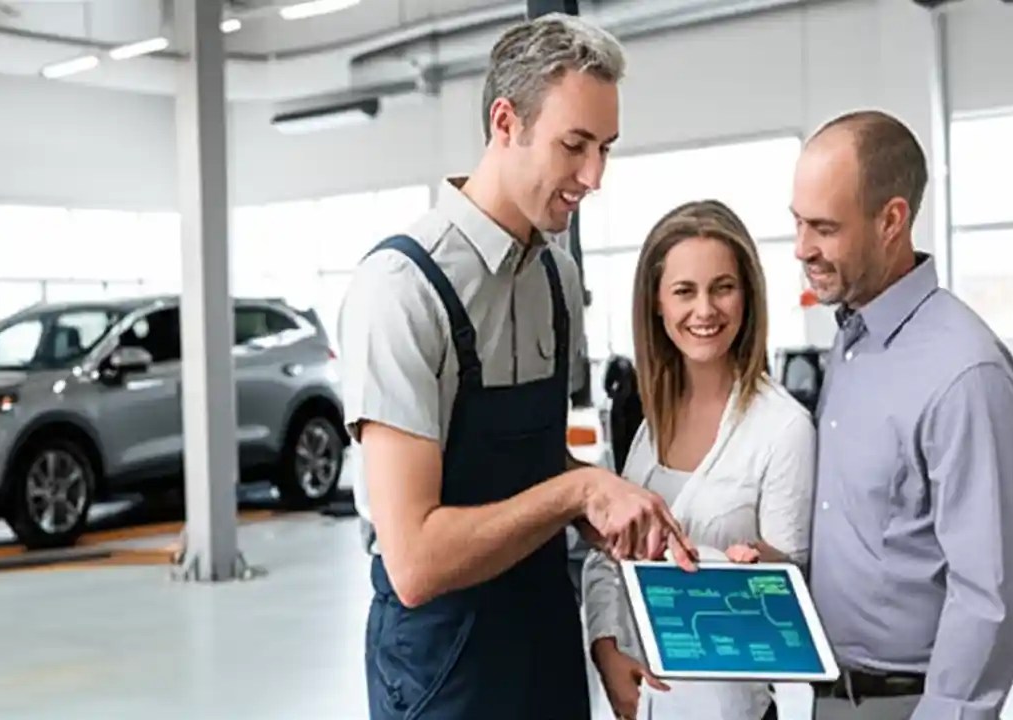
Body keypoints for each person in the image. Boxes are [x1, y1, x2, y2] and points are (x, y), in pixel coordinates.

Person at [337, 13, 697, 720]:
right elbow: (414, 563)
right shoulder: (402, 290)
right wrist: (579, 492)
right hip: (442, 662)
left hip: (543, 636)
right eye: (574, 146)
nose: (594, 176)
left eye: (605, 148)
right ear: (506, 123)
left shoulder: (557, 280)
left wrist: (607, 511)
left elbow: (530, 467)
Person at [791, 109, 1013, 719]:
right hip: (832, 696)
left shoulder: (965, 372)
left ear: (891, 220)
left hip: (907, 703)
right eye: (797, 222)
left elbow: (990, 591)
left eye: (824, 227)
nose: (802, 249)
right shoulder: (853, 339)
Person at [583, 200, 818, 720]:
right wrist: (605, 648)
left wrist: (751, 569)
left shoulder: (784, 429)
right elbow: (609, 555)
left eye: (723, 287)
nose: (705, 310)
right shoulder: (651, 422)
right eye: (685, 291)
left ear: (747, 295)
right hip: (639, 703)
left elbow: (790, 588)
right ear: (657, 303)